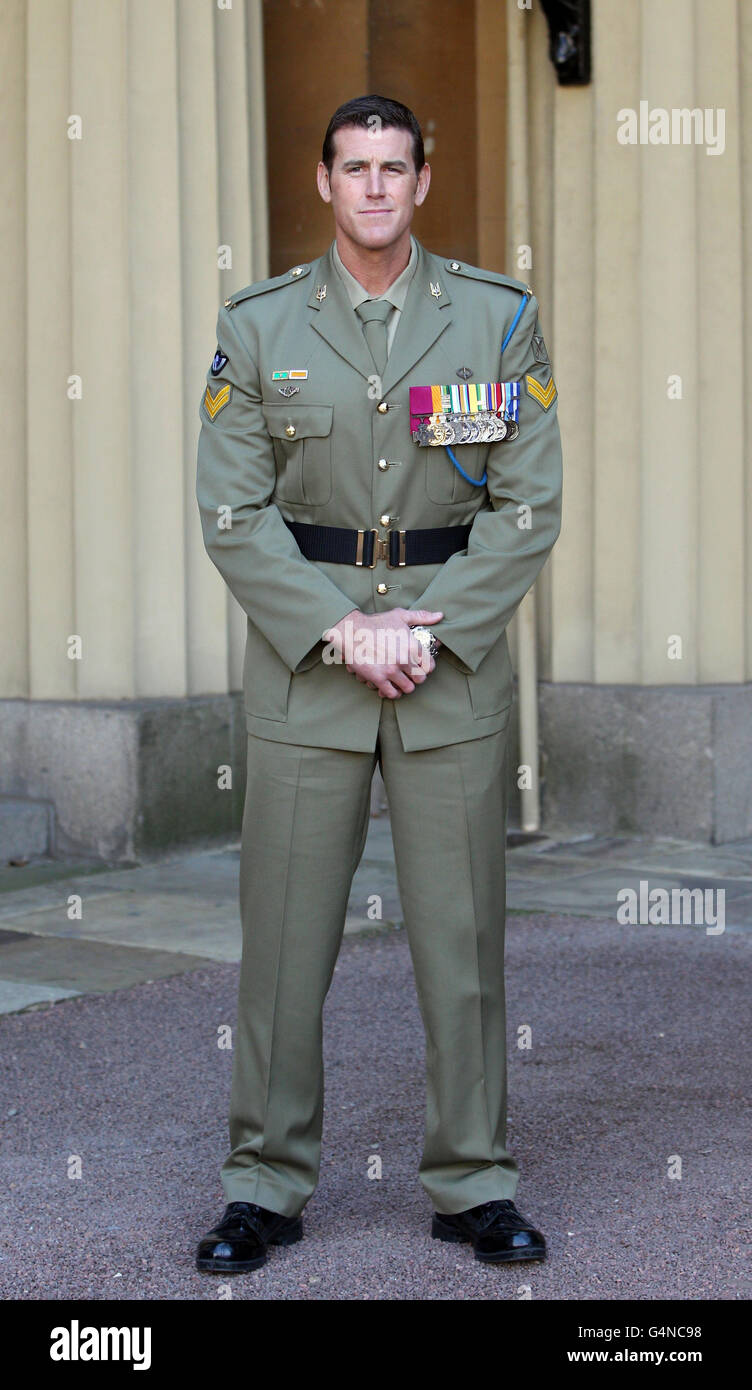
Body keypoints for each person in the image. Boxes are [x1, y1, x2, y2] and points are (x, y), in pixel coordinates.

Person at [194, 94, 562, 1273]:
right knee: (283, 944)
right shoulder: (256, 328)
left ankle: (471, 1181)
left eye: (391, 167)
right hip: (310, 672)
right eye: (351, 167)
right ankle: (263, 1183)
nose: (371, 187)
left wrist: (423, 631)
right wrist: (345, 635)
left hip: (446, 666)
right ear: (321, 183)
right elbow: (231, 514)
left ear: (420, 181)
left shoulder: (497, 321)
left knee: (460, 941)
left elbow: (525, 506)